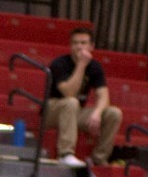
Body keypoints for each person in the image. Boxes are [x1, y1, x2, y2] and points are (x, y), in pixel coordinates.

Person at [43, 28, 122, 168]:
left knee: (113, 113)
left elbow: (104, 96)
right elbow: (69, 93)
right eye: (75, 43)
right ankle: (65, 154)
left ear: (91, 46)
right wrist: (81, 65)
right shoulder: (59, 64)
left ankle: (98, 157)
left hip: (75, 111)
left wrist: (97, 114)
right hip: (52, 110)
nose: (79, 46)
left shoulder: (95, 67)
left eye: (83, 43)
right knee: (71, 102)